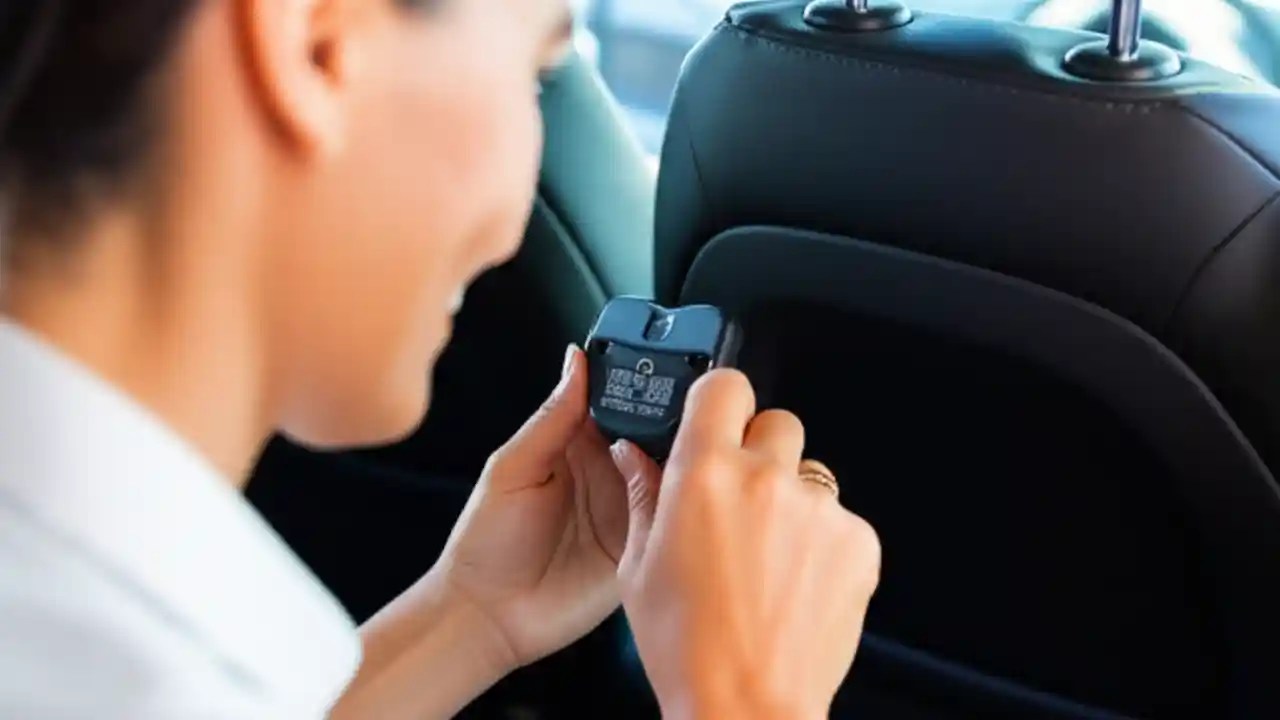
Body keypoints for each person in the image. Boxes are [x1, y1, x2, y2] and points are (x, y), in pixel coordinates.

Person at [0, 0, 883, 718]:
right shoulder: (145, 675)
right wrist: (744, 701)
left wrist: (472, 615)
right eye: (535, 75)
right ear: (316, 43)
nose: (511, 222)